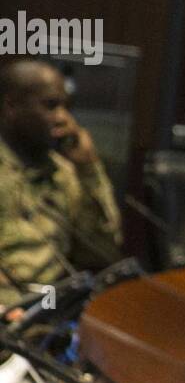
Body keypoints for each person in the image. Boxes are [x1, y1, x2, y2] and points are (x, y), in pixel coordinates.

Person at [0, 60, 121, 309]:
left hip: (48, 315)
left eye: (67, 107)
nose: (64, 118)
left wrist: (89, 170)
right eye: (50, 106)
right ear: (11, 105)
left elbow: (102, 253)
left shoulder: (65, 174)